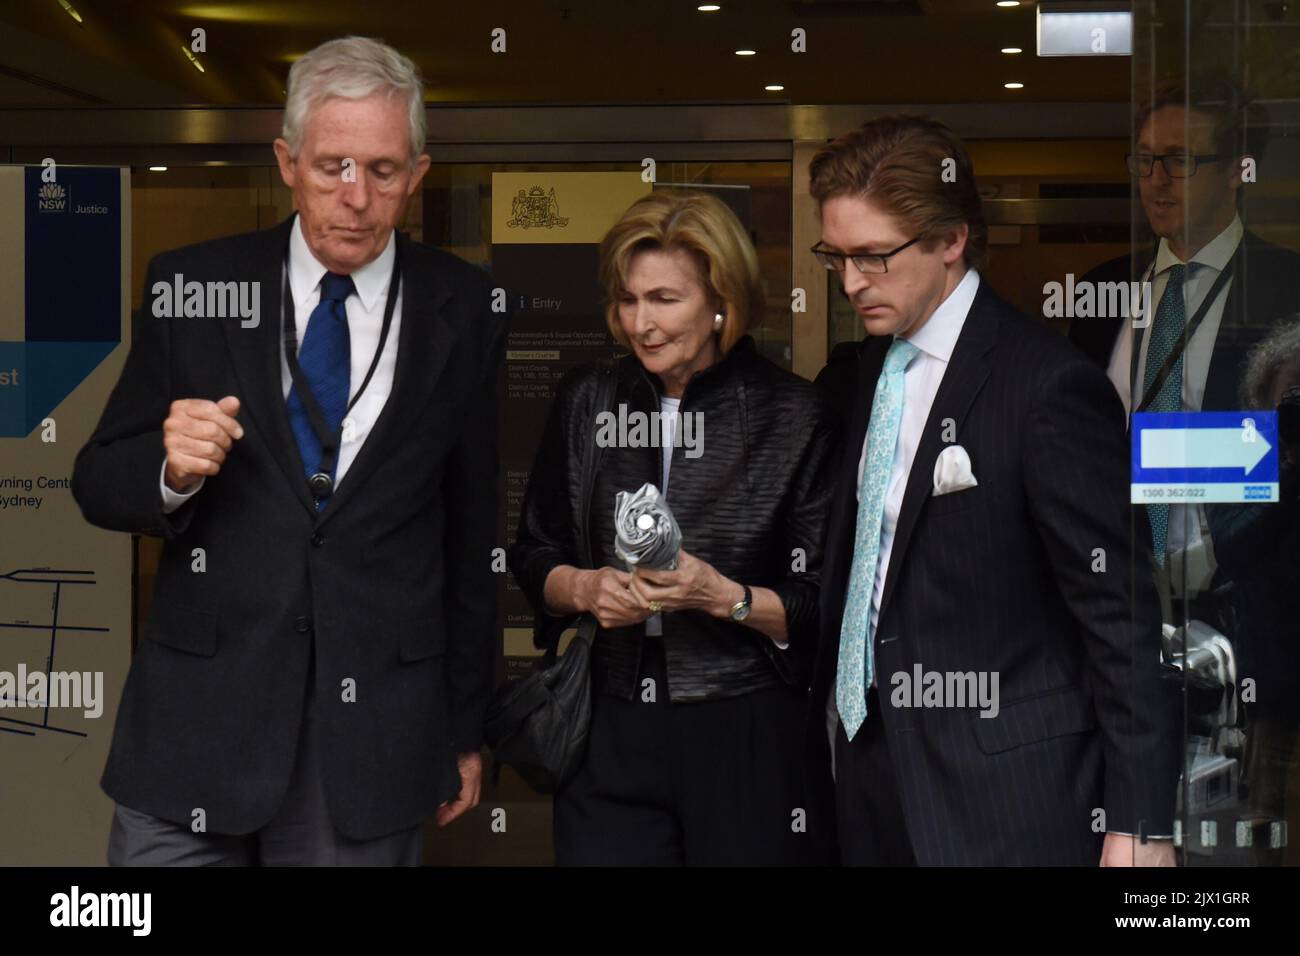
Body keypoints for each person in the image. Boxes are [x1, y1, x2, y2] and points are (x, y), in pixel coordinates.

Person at [71, 36, 506, 865]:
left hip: (373, 736)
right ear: (286, 160)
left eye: (382, 171)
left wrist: (465, 728)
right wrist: (166, 469)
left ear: (418, 173)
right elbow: (96, 480)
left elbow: (469, 531)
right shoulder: (191, 284)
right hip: (196, 726)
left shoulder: (467, 306)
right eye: (331, 165)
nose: (356, 196)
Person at [808, 115, 1180, 866]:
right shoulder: (860, 376)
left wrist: (1141, 823)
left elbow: (1123, 616)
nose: (850, 283)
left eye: (874, 257)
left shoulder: (1046, 385)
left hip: (1009, 795)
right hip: (869, 770)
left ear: (951, 241)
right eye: (835, 257)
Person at [509, 190, 838, 865]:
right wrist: (585, 588)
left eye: (664, 299)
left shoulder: (794, 414)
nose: (641, 323)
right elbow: (535, 552)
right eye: (629, 300)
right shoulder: (588, 398)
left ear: (723, 302)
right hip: (609, 722)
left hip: (743, 724)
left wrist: (725, 597)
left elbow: (819, 603)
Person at [1069, 76, 1300, 591]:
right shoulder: (1101, 291)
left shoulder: (1289, 290)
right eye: (1145, 159)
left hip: (1251, 592)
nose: (1156, 180)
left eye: (1180, 160)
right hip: (1116, 592)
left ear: (1238, 171)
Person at [1206, 319, 1300, 865]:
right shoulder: (1246, 455)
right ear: (1264, 403)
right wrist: (1289, 479)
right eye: (1292, 402)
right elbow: (1232, 551)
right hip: (1272, 674)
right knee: (1264, 820)